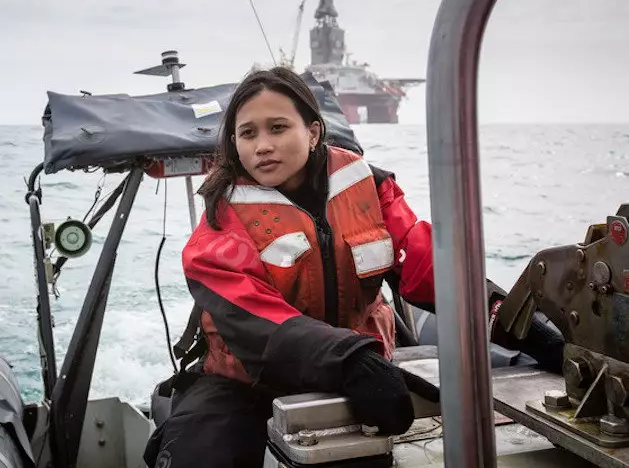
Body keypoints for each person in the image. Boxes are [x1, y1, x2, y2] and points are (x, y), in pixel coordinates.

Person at [143, 67, 564, 468]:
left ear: (312, 132)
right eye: (247, 133)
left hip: (359, 363)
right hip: (248, 382)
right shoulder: (222, 219)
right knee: (199, 450)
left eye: (277, 127)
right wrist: (349, 361)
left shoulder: (368, 187)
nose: (262, 145)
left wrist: (510, 319)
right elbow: (251, 318)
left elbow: (424, 263)